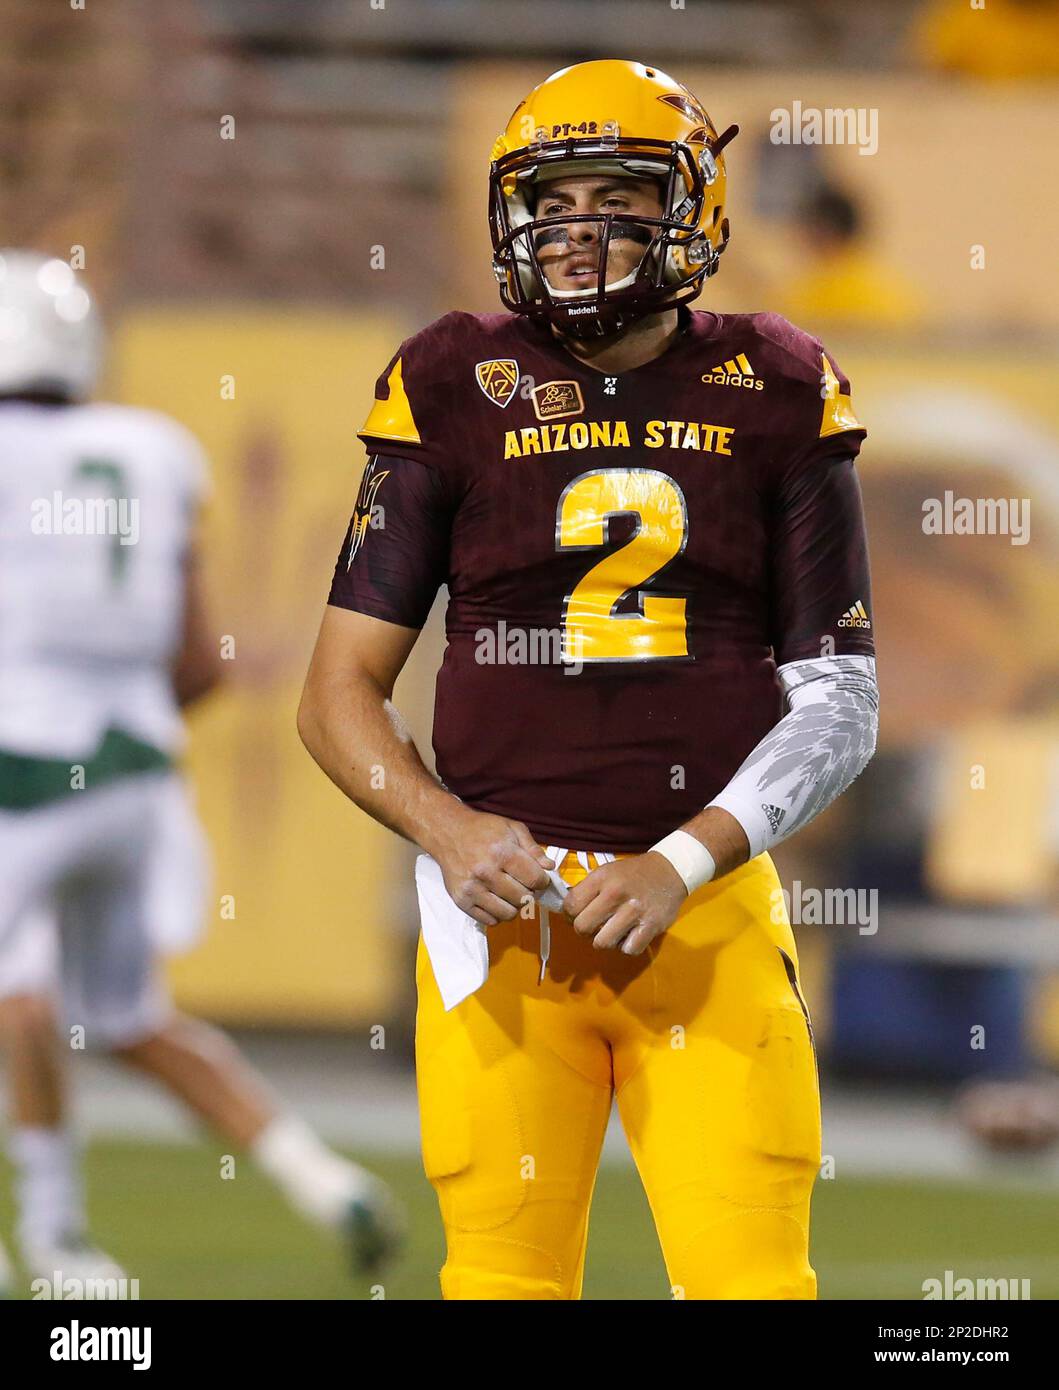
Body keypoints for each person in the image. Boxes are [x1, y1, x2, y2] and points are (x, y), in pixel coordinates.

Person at [299, 60, 879, 1300]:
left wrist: (681, 861)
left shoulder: (774, 383)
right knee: (500, 1281)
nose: (571, 229)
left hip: (706, 911)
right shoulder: (452, 377)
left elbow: (841, 703)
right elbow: (337, 692)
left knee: (757, 1287)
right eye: (548, 199)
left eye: (610, 195)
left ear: (691, 209)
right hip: (503, 925)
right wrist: (448, 831)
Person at [0, 249, 401, 1296]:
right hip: (133, 782)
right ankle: (317, 1178)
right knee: (119, 1014)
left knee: (25, 1001)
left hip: (21, 773)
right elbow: (195, 662)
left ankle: (57, 1241)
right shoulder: (150, 450)